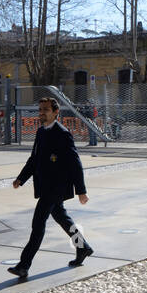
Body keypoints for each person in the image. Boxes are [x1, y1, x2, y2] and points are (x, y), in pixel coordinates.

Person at [9, 97, 93, 281]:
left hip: (56, 187)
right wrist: (21, 178)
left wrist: (81, 190)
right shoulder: (41, 132)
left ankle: (24, 265)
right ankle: (82, 248)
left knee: (38, 224)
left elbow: (75, 162)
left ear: (56, 112)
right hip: (46, 186)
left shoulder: (62, 134)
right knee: (61, 217)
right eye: (40, 109)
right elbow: (34, 160)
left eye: (46, 109)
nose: (42, 112)